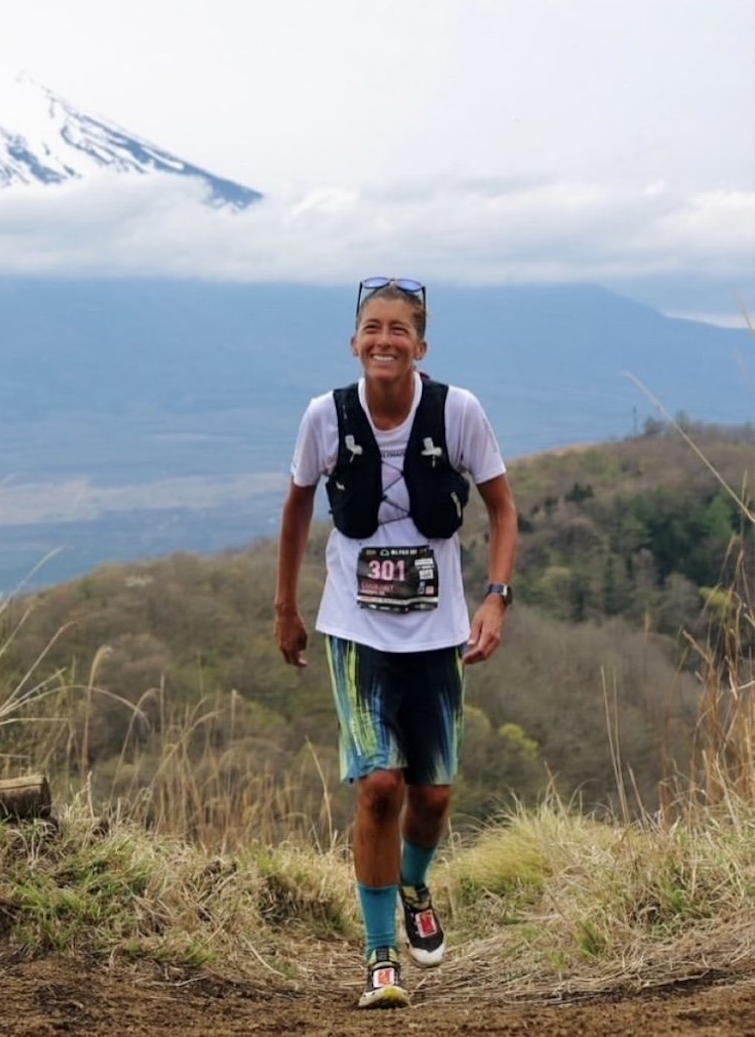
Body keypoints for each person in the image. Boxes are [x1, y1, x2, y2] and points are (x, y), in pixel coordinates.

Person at [274, 277, 517, 1009]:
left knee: (433, 796)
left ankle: (414, 881)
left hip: (438, 632)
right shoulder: (326, 416)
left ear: (421, 345)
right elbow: (294, 510)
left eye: (399, 329)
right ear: (354, 341)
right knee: (380, 785)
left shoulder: (458, 412)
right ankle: (381, 956)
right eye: (372, 327)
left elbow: (504, 511)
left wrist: (496, 600)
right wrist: (285, 607)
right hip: (356, 629)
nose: (385, 340)